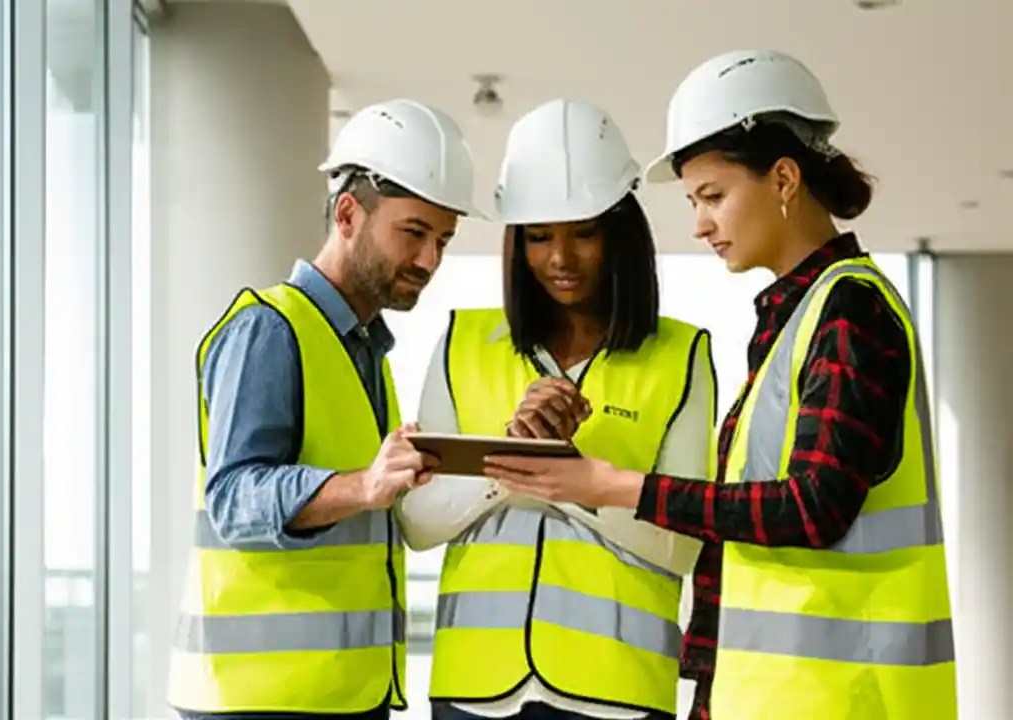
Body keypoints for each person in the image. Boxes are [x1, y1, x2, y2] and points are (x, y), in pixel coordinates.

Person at [482, 50, 957, 720]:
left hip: (840, 701)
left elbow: (813, 507)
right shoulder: (796, 317)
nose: (700, 223)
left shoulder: (851, 312)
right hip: (770, 696)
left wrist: (613, 487)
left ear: (784, 179)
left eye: (713, 197)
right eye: (693, 201)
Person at [398, 98, 718, 720]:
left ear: (621, 233)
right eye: (538, 237)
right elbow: (417, 524)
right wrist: (507, 456)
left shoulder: (682, 356)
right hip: (475, 691)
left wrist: (574, 480)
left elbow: (684, 548)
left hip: (618, 693)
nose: (559, 259)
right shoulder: (463, 343)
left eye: (585, 234)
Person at [167, 98, 485, 719]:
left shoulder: (367, 353)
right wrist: (364, 484)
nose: (430, 261)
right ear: (347, 214)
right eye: (413, 233)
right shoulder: (269, 330)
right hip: (258, 703)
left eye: (443, 240)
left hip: (343, 697)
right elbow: (233, 496)